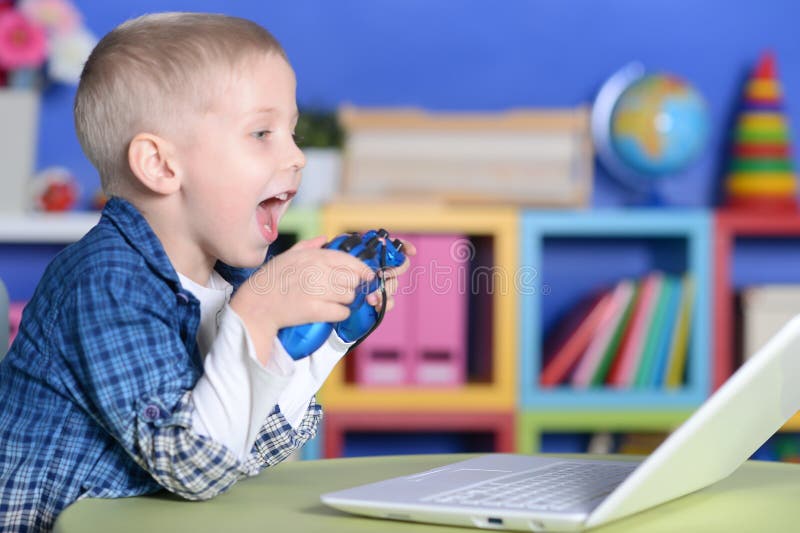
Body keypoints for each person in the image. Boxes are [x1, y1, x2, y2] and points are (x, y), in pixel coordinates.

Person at [0, 12, 413, 532]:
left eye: (292, 132)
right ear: (161, 166)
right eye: (262, 132)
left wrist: (323, 343)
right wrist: (257, 318)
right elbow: (192, 466)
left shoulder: (225, 282)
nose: (297, 156)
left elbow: (242, 449)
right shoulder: (107, 280)